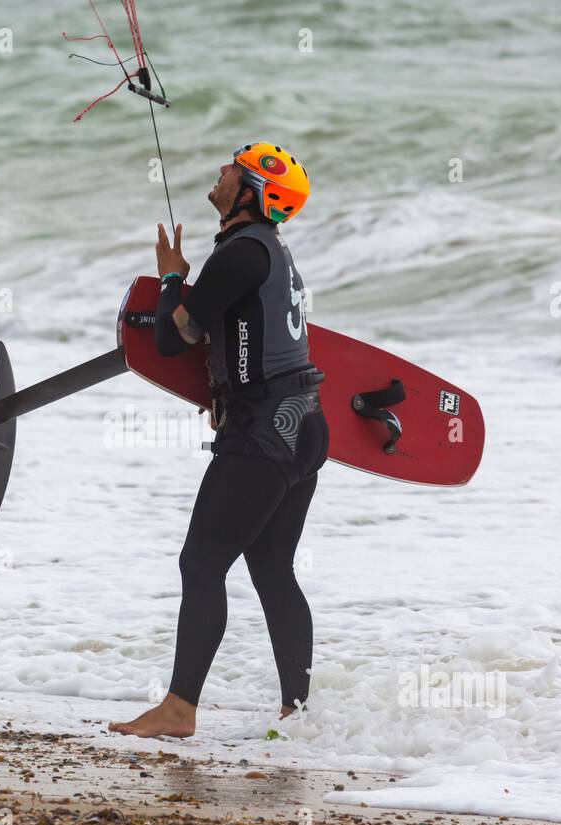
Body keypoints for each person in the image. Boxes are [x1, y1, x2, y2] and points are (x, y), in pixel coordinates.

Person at [109, 142, 328, 738]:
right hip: (304, 423)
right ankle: (298, 714)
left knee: (201, 563)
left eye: (233, 168)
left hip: (265, 434)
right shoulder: (275, 256)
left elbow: (177, 338)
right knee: (273, 569)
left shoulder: (239, 255)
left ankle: (179, 708)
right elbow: (249, 341)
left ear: (251, 192)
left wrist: (172, 278)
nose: (221, 171)